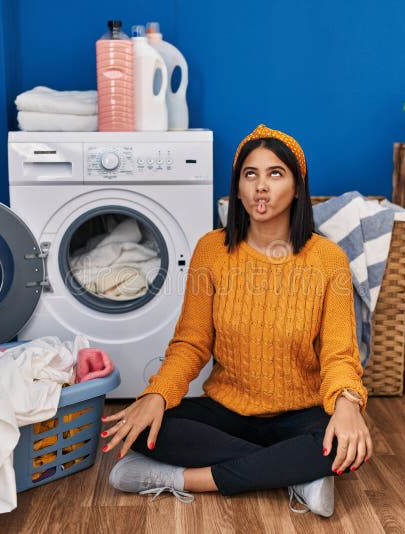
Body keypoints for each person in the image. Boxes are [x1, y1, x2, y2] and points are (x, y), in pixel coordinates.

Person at [101, 124, 372, 517]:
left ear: (297, 187)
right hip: (228, 411)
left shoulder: (327, 260)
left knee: (347, 441)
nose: (261, 186)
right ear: (238, 188)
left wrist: (348, 404)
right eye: (251, 174)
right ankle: (296, 473)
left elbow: (339, 354)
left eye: (275, 173)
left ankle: (179, 479)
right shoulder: (211, 250)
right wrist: (155, 394)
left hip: (300, 412)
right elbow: (191, 343)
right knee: (143, 426)